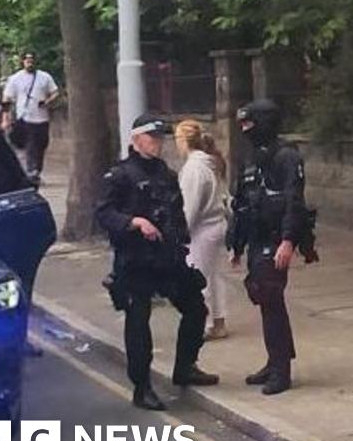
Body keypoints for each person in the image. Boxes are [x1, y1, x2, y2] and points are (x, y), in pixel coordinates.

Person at [95, 114, 220, 410]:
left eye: (160, 139)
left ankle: (185, 367)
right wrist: (134, 221)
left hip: (167, 257)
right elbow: (103, 213)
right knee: (139, 322)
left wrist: (181, 240)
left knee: (196, 308)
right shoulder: (120, 175)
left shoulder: (165, 172)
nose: (158, 144)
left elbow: (177, 211)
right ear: (136, 140)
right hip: (136, 260)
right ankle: (142, 387)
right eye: (152, 138)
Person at [228, 99, 318, 396]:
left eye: (249, 124)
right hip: (256, 237)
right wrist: (236, 244)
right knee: (263, 297)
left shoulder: (286, 156)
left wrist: (289, 241)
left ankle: (281, 370)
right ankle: (274, 360)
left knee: (271, 297)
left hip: (277, 238)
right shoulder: (252, 157)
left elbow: (295, 201)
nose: (244, 130)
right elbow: (242, 201)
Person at [175, 120, 231, 341]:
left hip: (202, 229)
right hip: (216, 224)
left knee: (198, 278)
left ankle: (204, 324)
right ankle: (218, 321)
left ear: (184, 141)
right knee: (215, 277)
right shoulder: (209, 163)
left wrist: (180, 233)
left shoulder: (194, 168)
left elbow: (190, 206)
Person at [2, 52, 59, 184]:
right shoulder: (15, 78)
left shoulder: (44, 77)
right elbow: (7, 98)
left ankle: (36, 171)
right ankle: (31, 172)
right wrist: (5, 118)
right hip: (25, 117)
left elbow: (55, 92)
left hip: (42, 118)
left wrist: (48, 101)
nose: (30, 63)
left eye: (32, 60)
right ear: (22, 62)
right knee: (30, 146)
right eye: (27, 60)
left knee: (41, 145)